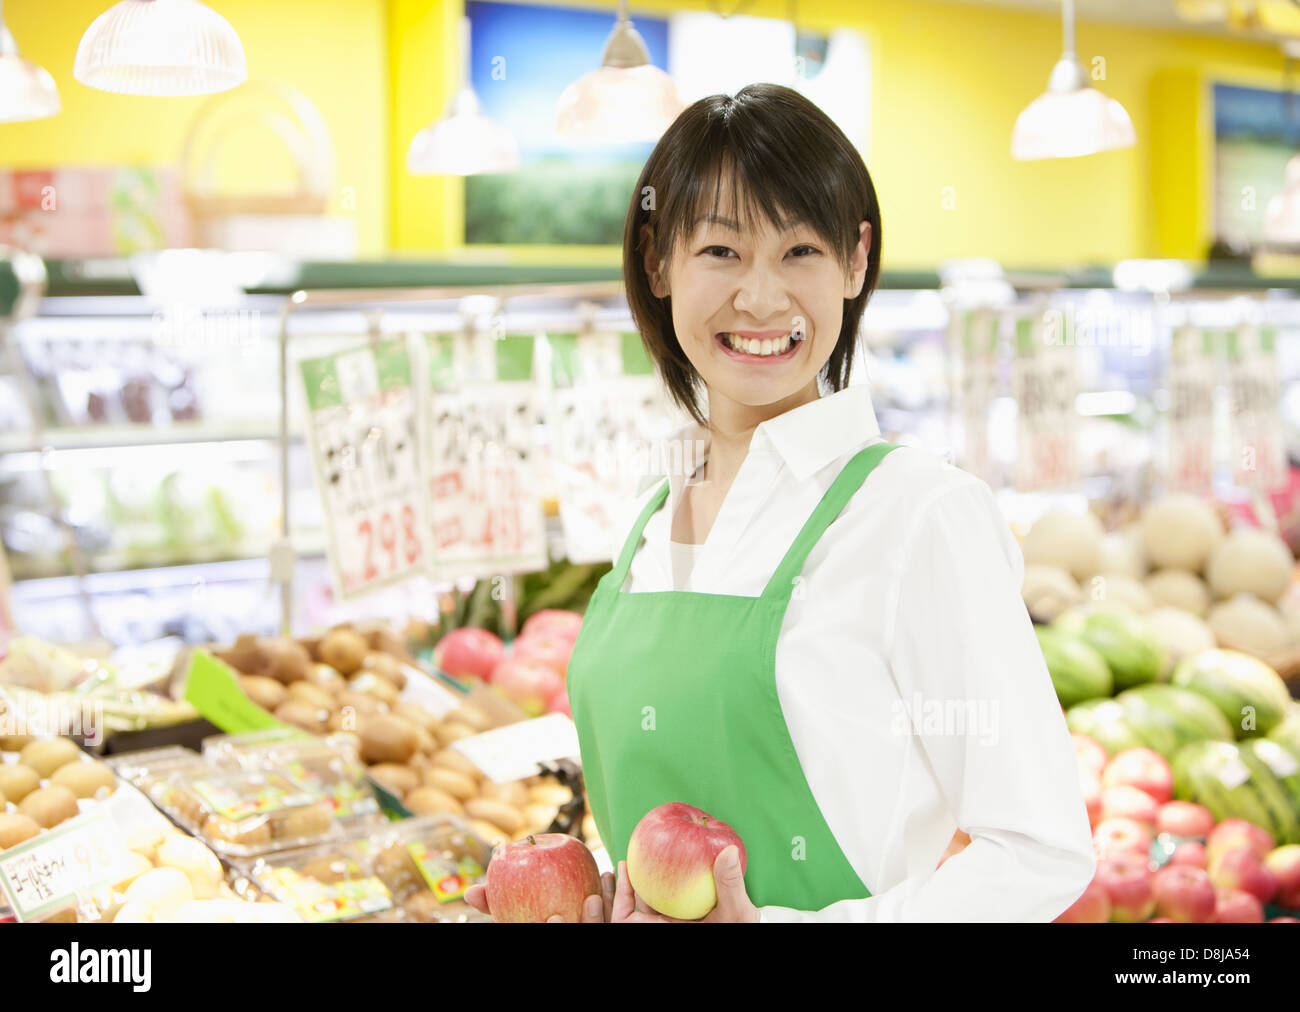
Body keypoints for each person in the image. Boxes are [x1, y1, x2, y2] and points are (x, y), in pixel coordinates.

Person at [466, 82, 1093, 923]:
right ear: (658, 262)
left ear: (857, 260)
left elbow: (1041, 852)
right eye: (721, 252)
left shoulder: (917, 514)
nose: (761, 299)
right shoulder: (652, 514)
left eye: (800, 252)